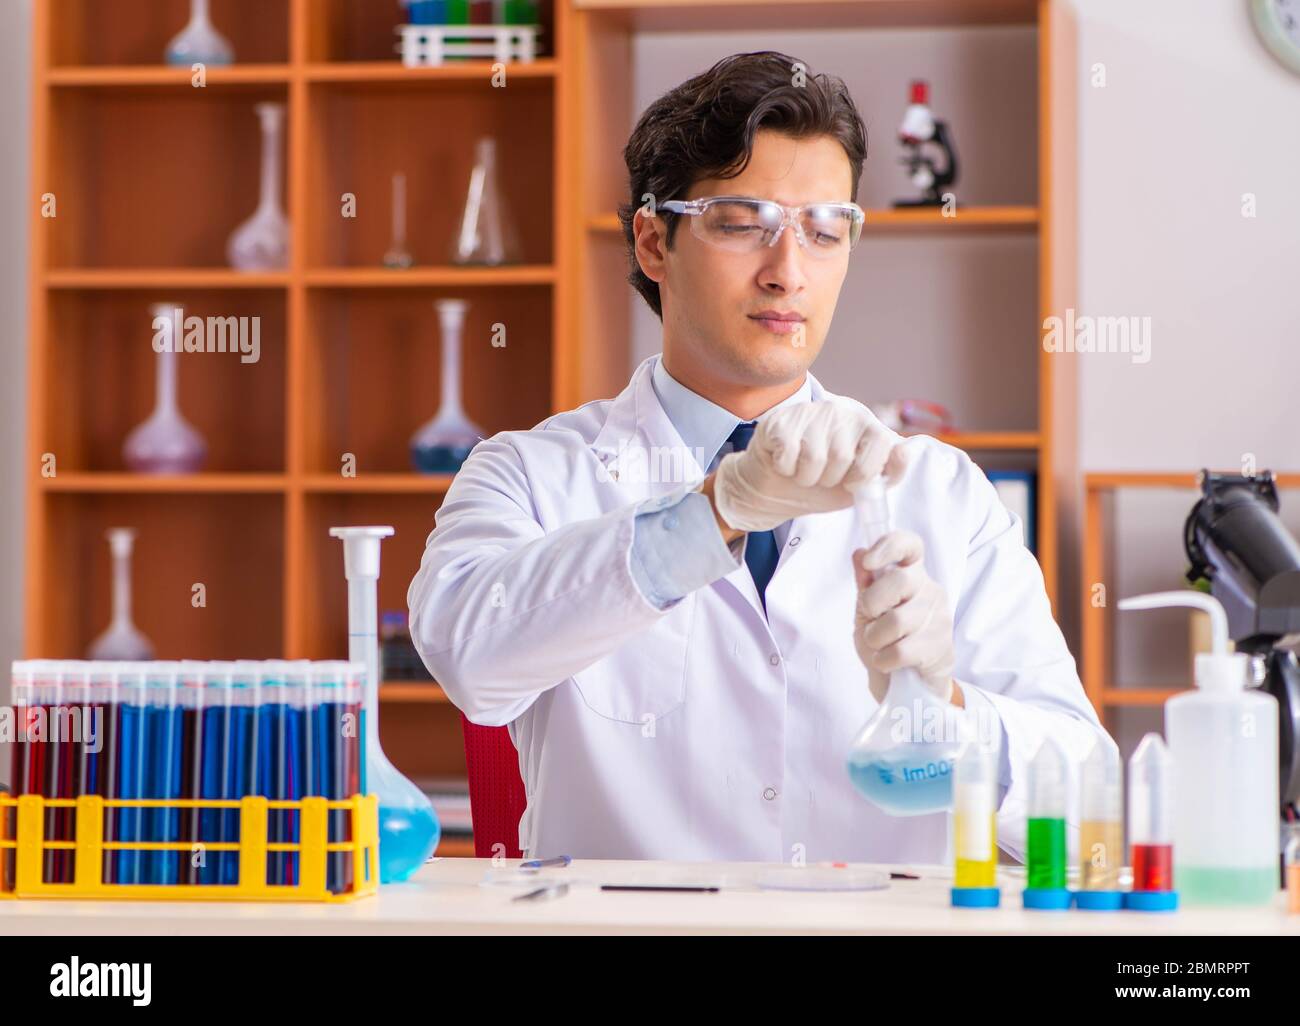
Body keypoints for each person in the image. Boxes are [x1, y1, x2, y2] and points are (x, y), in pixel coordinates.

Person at [408, 51, 1108, 863]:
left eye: (824, 229)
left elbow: (1090, 804)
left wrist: (941, 706)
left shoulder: (941, 492)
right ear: (651, 242)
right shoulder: (529, 473)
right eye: (743, 223)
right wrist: (716, 512)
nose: (789, 272)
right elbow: (469, 657)